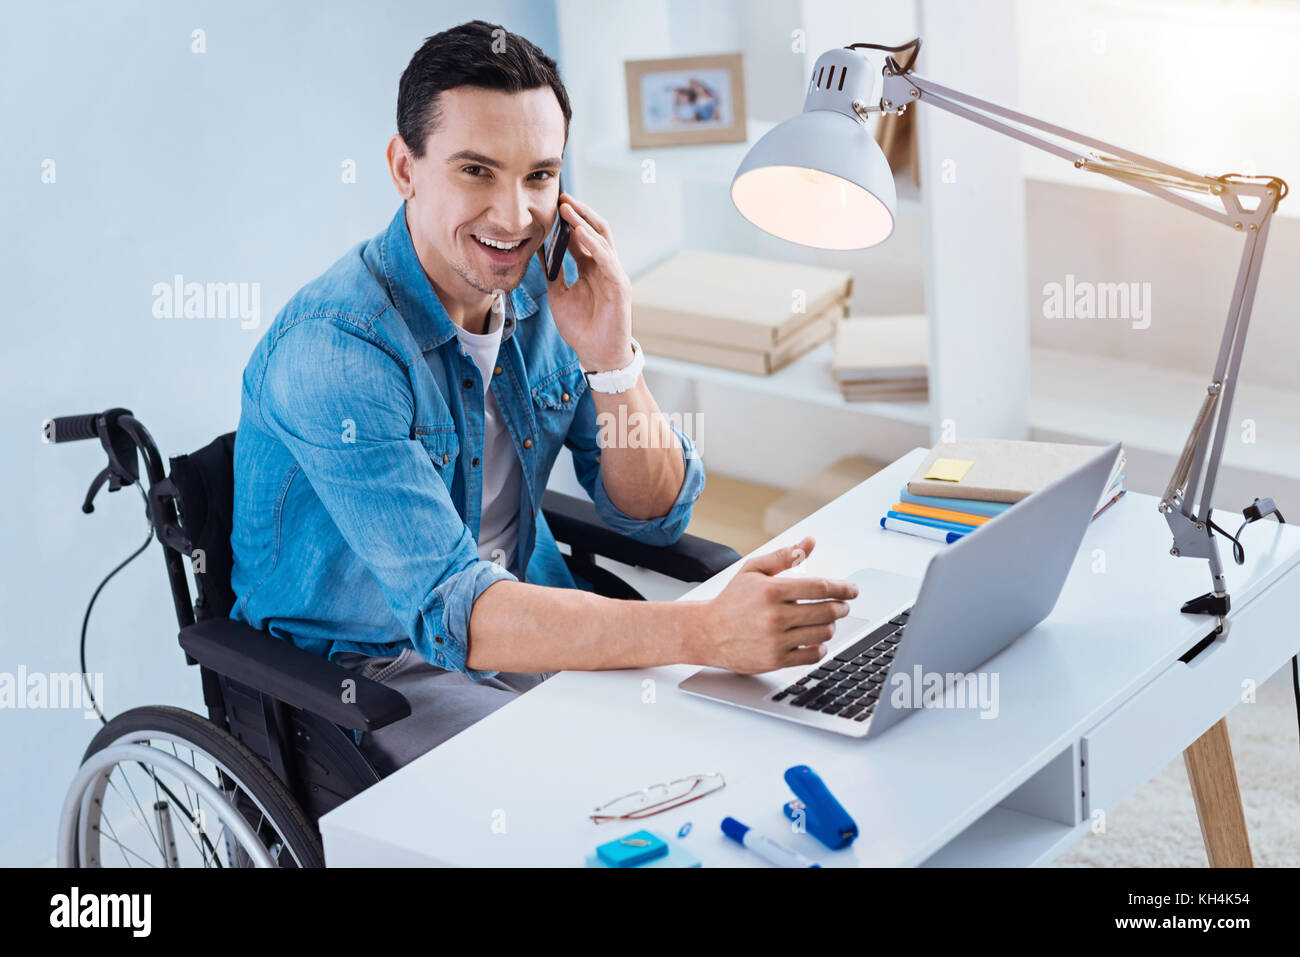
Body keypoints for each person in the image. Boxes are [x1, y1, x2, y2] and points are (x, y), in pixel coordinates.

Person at [229, 20, 858, 776]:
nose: (515, 216)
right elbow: (454, 610)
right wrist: (702, 630)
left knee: (729, 734)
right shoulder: (335, 352)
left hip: (527, 613)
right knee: (592, 785)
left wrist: (613, 356)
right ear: (405, 167)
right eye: (476, 171)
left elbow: (656, 516)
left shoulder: (547, 288)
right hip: (369, 674)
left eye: (539, 175)